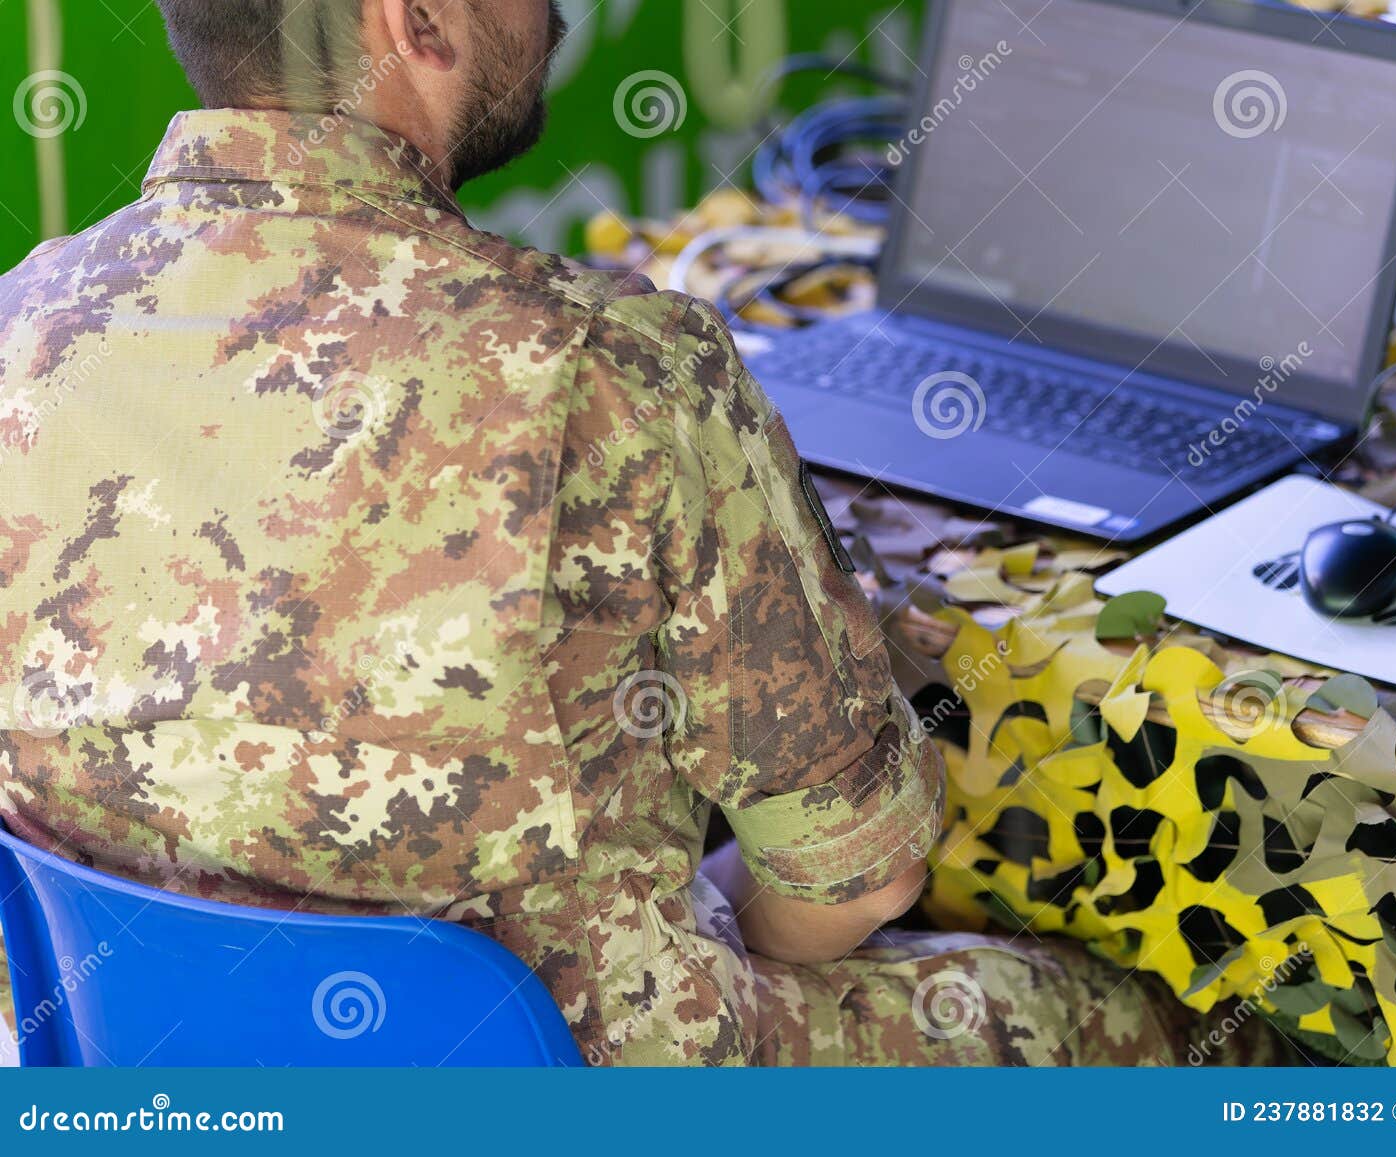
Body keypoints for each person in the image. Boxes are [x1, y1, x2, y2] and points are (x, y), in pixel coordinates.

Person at [0, 0, 1292, 1066]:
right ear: (420, 20)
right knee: (1169, 1017)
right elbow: (853, 887)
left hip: (146, 1051)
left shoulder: (22, 323)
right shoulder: (610, 365)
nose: (556, 13)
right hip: (587, 1070)